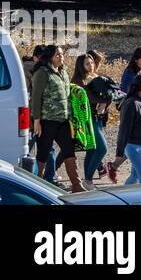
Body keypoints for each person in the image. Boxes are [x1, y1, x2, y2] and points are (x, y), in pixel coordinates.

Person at [29, 46, 85, 191]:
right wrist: (36, 121)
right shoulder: (42, 73)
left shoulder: (63, 72)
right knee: (43, 153)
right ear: (49, 57)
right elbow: (36, 98)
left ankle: (77, 185)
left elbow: (66, 94)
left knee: (69, 150)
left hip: (63, 120)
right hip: (47, 120)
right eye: (57, 55)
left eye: (61, 54)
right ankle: (37, 187)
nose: (61, 57)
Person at [78, 51, 119, 184]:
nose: (90, 65)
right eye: (87, 64)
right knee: (102, 148)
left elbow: (109, 95)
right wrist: (104, 99)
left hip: (98, 119)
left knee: (92, 149)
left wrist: (105, 101)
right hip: (88, 119)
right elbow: (90, 98)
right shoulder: (81, 80)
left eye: (91, 63)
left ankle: (87, 180)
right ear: (81, 66)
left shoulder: (96, 77)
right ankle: (88, 179)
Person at [24, 44, 57, 182]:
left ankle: (49, 178)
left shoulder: (48, 70)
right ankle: (29, 179)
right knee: (26, 149)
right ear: (35, 58)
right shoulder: (28, 71)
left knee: (48, 149)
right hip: (31, 118)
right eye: (43, 58)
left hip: (43, 117)